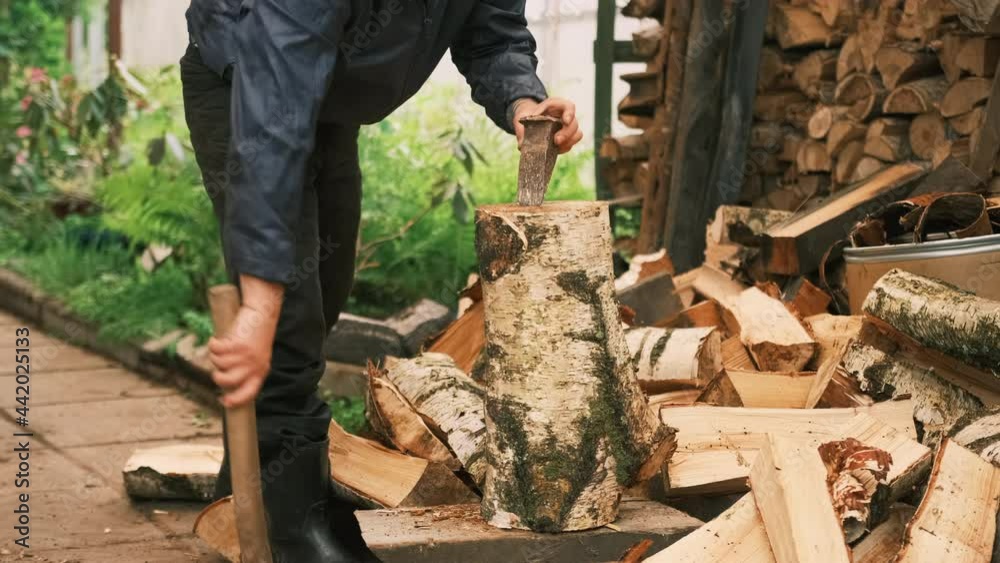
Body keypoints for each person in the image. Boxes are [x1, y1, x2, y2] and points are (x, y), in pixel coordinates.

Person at [181, 1, 583, 561]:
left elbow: (493, 33)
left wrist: (523, 100)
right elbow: (275, 116)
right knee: (287, 317)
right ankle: (289, 534)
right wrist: (258, 306)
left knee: (324, 292)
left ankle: (252, 490)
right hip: (248, 88)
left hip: (327, 95)